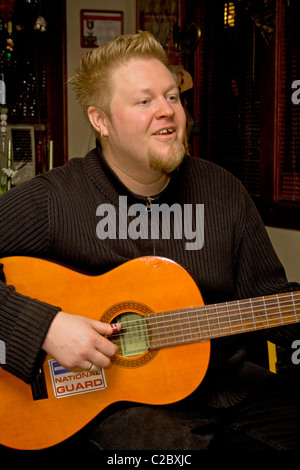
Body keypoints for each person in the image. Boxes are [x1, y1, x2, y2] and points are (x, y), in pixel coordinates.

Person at [0, 30, 300, 452]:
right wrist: (45, 326)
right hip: (118, 407)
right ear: (100, 120)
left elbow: (273, 303)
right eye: (145, 101)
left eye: (172, 97)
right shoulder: (53, 200)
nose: (168, 112)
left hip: (232, 391)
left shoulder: (224, 192)